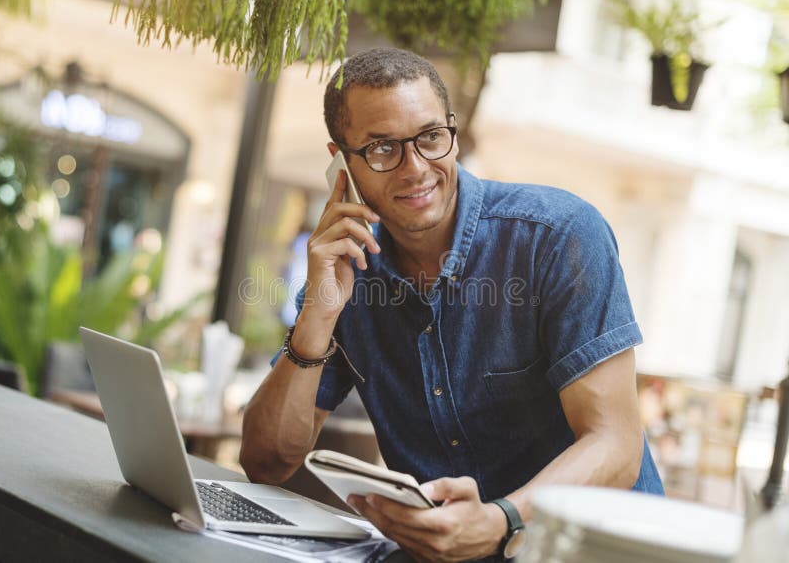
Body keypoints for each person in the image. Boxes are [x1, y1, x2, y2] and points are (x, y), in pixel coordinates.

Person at [240, 47, 664, 562]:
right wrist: (318, 315)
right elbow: (266, 463)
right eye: (382, 148)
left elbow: (616, 443)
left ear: (453, 133)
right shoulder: (347, 267)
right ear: (342, 162)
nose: (415, 168)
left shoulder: (558, 237)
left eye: (430, 137)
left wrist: (502, 521)